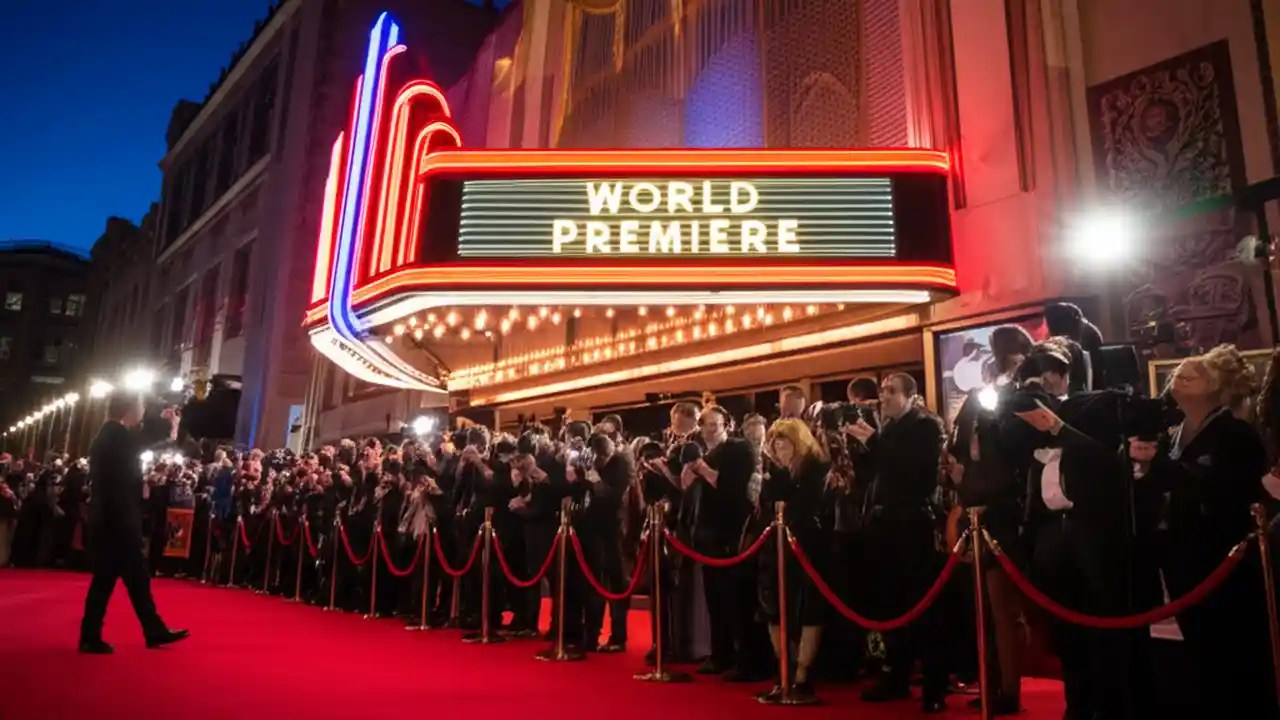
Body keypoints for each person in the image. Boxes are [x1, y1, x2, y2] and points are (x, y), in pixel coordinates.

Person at [1135, 345, 1278, 717]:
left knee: (1227, 652)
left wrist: (1159, 466)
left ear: (1215, 386)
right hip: (1177, 556)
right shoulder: (1171, 433)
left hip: (1221, 557)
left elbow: (1217, 488)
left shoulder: (1235, 434)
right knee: (1193, 653)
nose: (1181, 375)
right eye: (1179, 372)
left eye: (1193, 373)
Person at [854, 372, 949, 713]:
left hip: (912, 524)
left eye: (891, 391)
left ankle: (935, 685)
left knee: (921, 605)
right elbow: (874, 473)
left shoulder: (925, 426)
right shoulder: (888, 427)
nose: (883, 396)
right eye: (882, 390)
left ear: (911, 396)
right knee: (890, 603)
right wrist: (863, 445)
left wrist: (874, 441)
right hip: (884, 524)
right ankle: (896, 676)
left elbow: (912, 471)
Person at [79, 394, 188, 654]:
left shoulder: (109, 435)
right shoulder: (115, 434)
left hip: (112, 518)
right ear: (129, 408)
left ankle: (150, 629)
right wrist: (170, 425)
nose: (142, 411)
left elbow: (124, 469)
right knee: (118, 579)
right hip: (116, 521)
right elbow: (144, 440)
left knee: (126, 579)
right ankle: (97, 634)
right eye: (140, 407)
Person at [756, 418, 832, 704]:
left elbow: (809, 507)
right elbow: (767, 506)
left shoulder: (815, 469)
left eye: (784, 441)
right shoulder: (776, 472)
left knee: (809, 610)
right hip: (776, 548)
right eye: (775, 442)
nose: (778, 446)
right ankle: (784, 672)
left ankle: (802, 674)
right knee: (774, 608)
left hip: (808, 547)